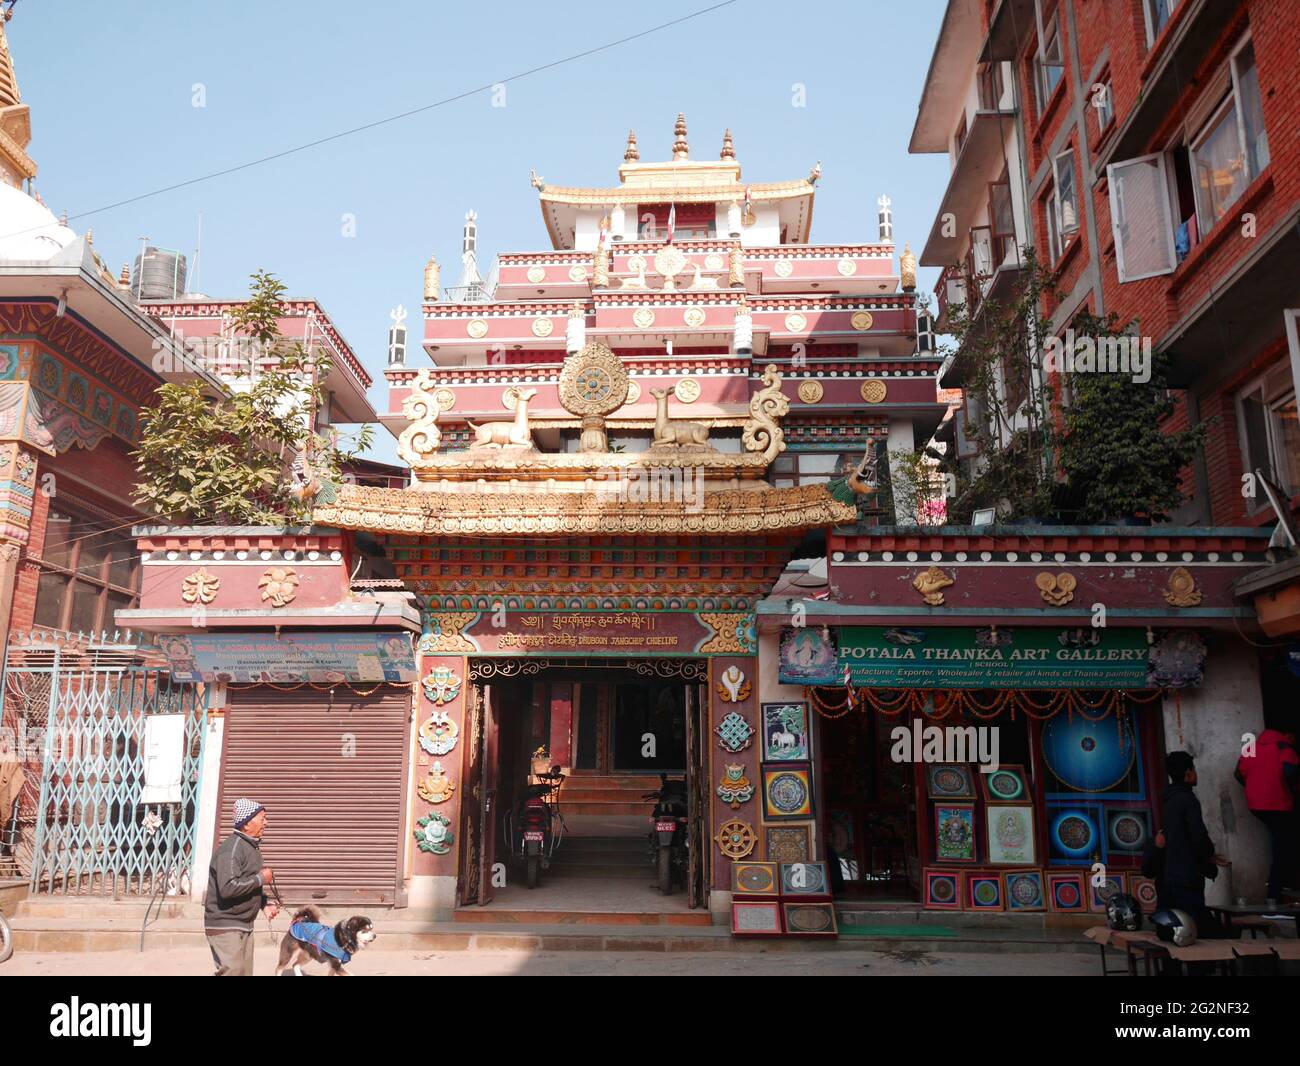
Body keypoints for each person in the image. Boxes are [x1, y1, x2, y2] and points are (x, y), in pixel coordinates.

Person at [204, 798, 278, 976]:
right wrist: (261, 878)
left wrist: (264, 903)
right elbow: (228, 887)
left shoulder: (251, 847)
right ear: (246, 824)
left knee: (243, 973)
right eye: (262, 818)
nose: (266, 823)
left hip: (243, 923)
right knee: (232, 972)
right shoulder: (232, 849)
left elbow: (247, 883)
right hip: (226, 924)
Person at [1160, 751, 1225, 937]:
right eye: (1193, 769)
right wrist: (1209, 858)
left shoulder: (1169, 800)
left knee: (1182, 925)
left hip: (1173, 874)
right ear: (1188, 773)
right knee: (1196, 927)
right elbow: (1198, 835)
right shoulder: (1188, 800)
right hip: (1188, 874)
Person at [1234, 725, 1299, 902]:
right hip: (1279, 804)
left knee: (1280, 842)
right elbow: (1291, 773)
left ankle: (1283, 885)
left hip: (1256, 805)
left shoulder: (1251, 748)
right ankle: (1275, 894)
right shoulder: (1284, 748)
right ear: (1286, 734)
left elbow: (1238, 774)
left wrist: (1254, 788)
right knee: (1282, 847)